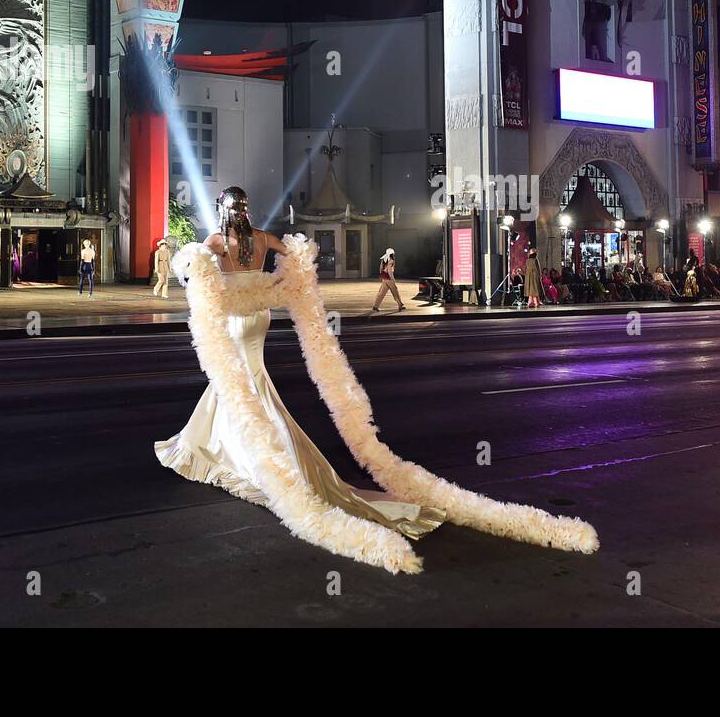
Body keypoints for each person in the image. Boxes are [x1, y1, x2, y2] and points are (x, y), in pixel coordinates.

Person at [155, 185, 599, 573]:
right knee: (246, 381)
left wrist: (198, 266)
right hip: (260, 318)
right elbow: (296, 250)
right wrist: (281, 280)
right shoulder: (261, 240)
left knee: (239, 384)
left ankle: (227, 450)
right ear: (246, 210)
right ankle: (211, 439)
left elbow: (191, 263)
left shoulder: (217, 241)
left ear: (221, 209)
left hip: (235, 319)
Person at [371, 247, 405, 312]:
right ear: (392, 254)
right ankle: (400, 304)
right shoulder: (391, 261)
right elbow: (390, 271)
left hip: (384, 278)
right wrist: (393, 279)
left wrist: (382, 274)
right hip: (389, 279)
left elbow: (380, 269)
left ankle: (375, 306)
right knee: (395, 291)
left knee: (381, 293)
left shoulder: (384, 259)